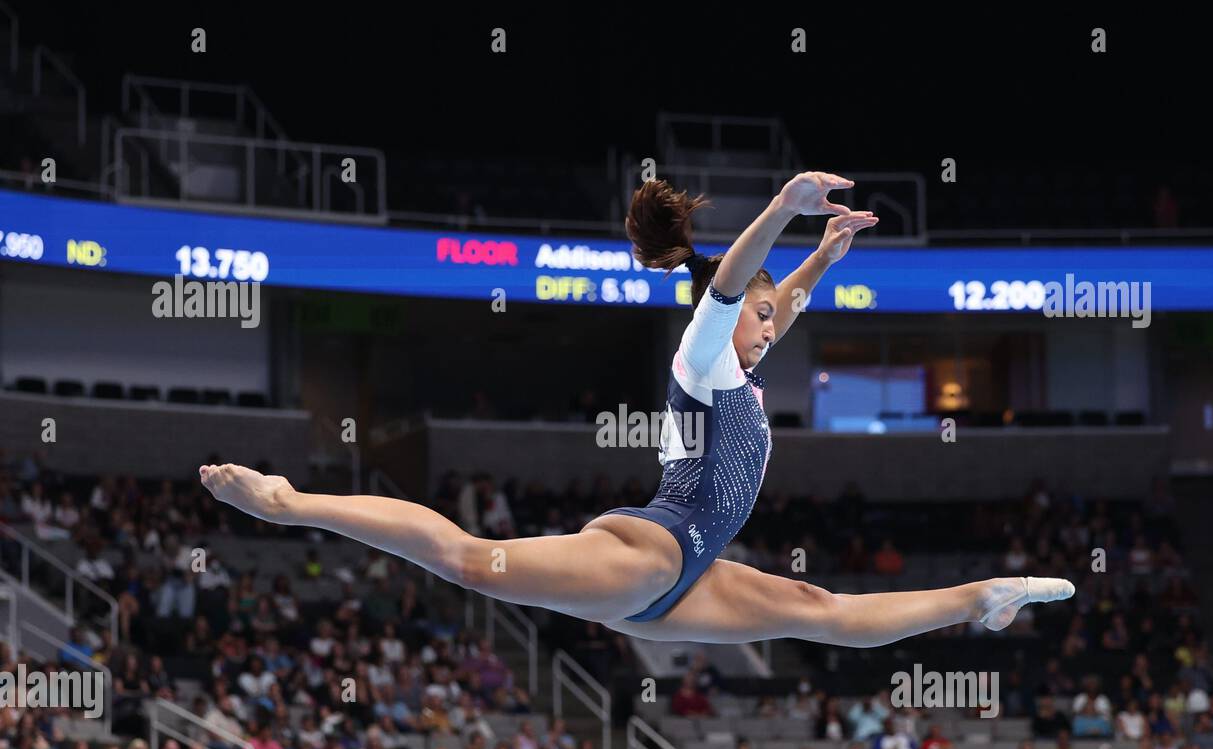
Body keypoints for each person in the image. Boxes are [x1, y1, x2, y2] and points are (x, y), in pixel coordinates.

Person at [200, 172, 1074, 648]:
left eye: (774, 321)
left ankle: (982, 597)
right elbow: (738, 286)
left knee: (823, 615)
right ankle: (289, 502)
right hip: (648, 548)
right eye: (760, 320)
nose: (771, 331)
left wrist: (825, 256)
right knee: (475, 564)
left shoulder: (744, 363)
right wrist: (782, 210)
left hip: (679, 578)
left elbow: (780, 301)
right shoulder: (701, 356)